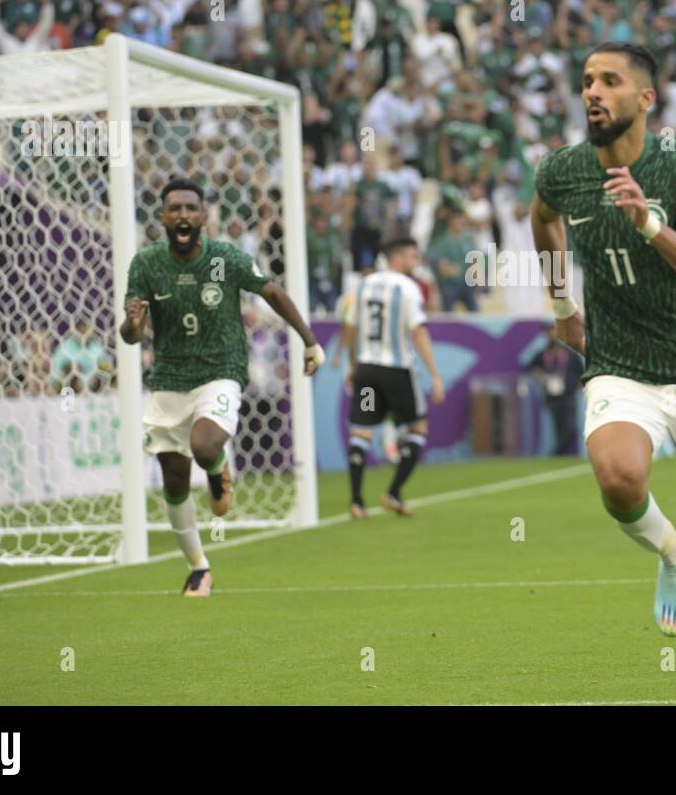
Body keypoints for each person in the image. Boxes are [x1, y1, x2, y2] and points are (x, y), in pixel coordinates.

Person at [531, 42, 676, 706]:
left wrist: (649, 223)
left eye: (610, 81)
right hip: (618, 363)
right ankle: (670, 552)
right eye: (586, 81)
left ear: (646, 99)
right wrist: (559, 304)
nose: (593, 93)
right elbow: (542, 217)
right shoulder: (565, 171)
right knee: (618, 476)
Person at [120, 177, 325, 597]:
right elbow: (130, 334)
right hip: (170, 378)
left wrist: (309, 340)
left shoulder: (224, 260)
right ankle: (199, 567)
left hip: (221, 369)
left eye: (190, 208)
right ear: (162, 217)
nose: (182, 215)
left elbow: (270, 291)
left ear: (203, 216)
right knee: (174, 483)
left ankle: (218, 474)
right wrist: (134, 323)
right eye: (174, 208)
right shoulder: (146, 265)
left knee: (206, 444)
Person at [341, 238, 446, 519]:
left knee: (361, 432)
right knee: (418, 429)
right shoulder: (407, 287)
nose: (416, 262)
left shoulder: (361, 286)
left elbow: (350, 328)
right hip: (397, 370)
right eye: (412, 257)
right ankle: (394, 493)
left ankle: (356, 501)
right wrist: (435, 375)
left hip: (366, 370)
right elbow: (419, 332)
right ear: (396, 258)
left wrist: (353, 366)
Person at [527, 324, 584, 455]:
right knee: (558, 427)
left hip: (569, 396)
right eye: (548, 332)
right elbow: (530, 369)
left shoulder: (570, 354)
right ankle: (560, 454)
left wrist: (577, 388)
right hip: (551, 396)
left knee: (570, 428)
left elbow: (581, 373)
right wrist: (541, 377)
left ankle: (557, 453)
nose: (551, 334)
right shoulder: (542, 355)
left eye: (553, 331)